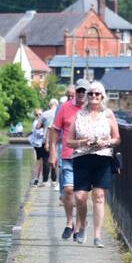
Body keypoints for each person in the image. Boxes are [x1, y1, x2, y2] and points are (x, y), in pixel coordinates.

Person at [64, 80, 121, 247]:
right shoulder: (79, 115)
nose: (93, 96)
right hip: (82, 158)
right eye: (90, 93)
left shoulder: (108, 114)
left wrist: (107, 142)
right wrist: (82, 142)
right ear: (87, 96)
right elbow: (68, 141)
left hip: (102, 158)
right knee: (80, 197)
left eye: (97, 94)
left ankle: (97, 236)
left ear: (102, 96)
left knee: (99, 196)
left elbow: (117, 139)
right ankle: (83, 224)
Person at [48, 81, 87, 239]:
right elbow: (55, 130)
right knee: (69, 190)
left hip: (87, 156)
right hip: (68, 155)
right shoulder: (65, 107)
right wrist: (52, 152)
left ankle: (78, 228)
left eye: (85, 91)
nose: (81, 94)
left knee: (81, 195)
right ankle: (69, 223)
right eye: (79, 91)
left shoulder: (93, 109)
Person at [28, 108, 48, 186]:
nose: (39, 116)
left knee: (42, 161)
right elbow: (37, 133)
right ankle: (37, 179)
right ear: (35, 116)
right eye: (37, 115)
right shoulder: (36, 123)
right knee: (40, 161)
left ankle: (39, 179)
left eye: (40, 114)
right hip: (39, 144)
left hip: (41, 143)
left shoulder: (42, 122)